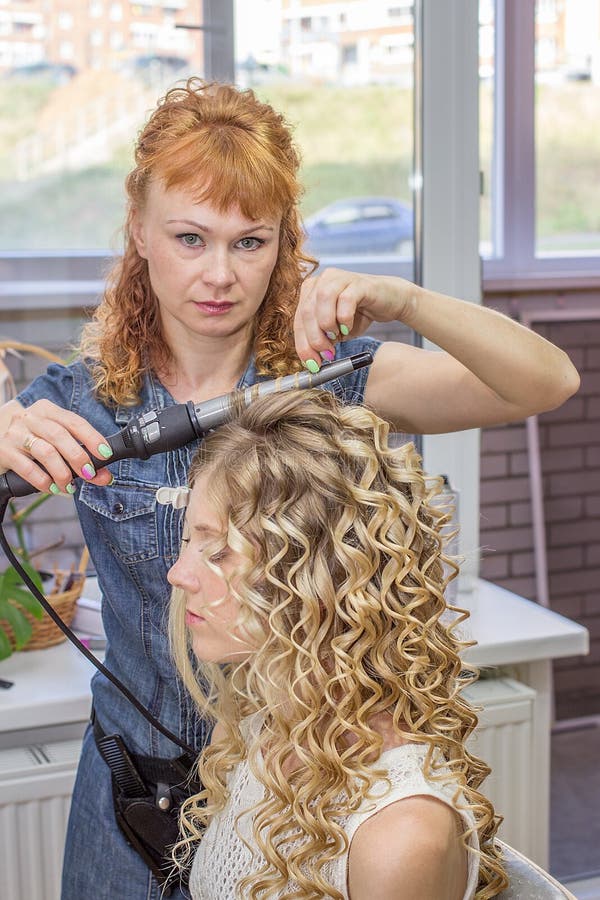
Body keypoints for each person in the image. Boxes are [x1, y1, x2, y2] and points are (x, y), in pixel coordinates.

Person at [0, 77, 578, 900]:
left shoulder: (325, 383)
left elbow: (545, 382)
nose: (220, 275)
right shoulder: (82, 401)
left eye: (250, 242)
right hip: (123, 779)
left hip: (282, 783)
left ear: (284, 245)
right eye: (190, 238)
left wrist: (404, 298)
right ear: (139, 231)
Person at [166, 388, 509, 900]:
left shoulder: (400, 836)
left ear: (321, 581)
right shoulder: (257, 724)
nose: (178, 574)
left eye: (218, 553)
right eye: (188, 541)